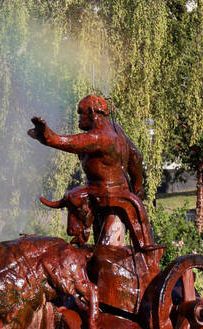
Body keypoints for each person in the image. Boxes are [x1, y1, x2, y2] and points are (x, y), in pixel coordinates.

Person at [30, 95, 155, 250]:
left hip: (109, 200)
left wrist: (47, 137)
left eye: (80, 113)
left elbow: (65, 142)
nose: (78, 118)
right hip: (109, 198)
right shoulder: (116, 129)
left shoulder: (100, 138)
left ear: (92, 113)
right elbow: (136, 156)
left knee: (107, 253)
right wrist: (137, 187)